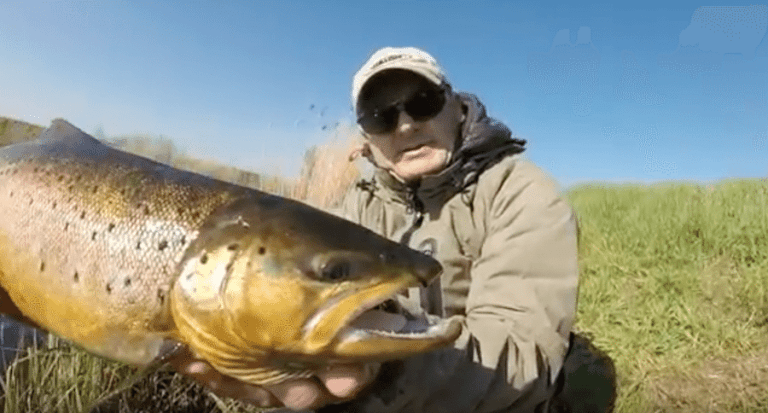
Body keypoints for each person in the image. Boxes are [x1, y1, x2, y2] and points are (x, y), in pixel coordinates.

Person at [173, 47, 616, 412]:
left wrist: (382, 365)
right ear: (367, 139)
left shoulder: (521, 193)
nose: (405, 125)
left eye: (422, 102)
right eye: (380, 116)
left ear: (456, 107)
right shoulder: (352, 208)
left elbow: (522, 357)